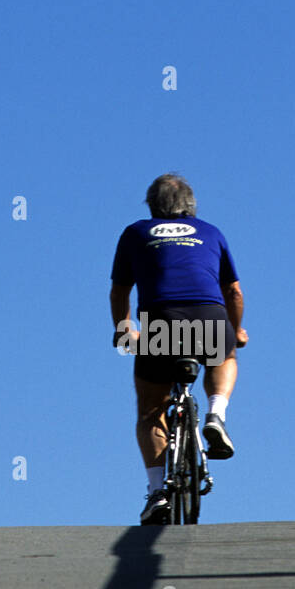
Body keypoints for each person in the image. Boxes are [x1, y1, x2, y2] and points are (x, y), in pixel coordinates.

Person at [109, 173, 248, 525]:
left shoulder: (135, 233)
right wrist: (236, 331)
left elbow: (120, 292)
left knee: (149, 412)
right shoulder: (211, 232)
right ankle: (216, 415)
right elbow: (234, 292)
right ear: (191, 205)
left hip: (161, 321)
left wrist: (125, 330)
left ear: (152, 206)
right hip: (208, 316)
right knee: (226, 354)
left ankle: (157, 492)